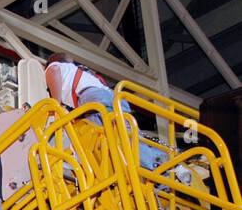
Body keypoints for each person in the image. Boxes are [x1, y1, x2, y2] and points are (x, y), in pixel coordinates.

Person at [44, 54, 189, 181]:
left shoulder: (53, 67)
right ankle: (160, 169)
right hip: (109, 99)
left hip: (95, 99)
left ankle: (164, 162)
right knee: (118, 142)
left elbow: (54, 71)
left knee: (118, 142)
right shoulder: (81, 73)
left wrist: (55, 106)